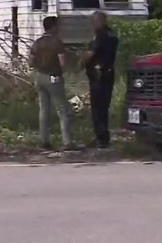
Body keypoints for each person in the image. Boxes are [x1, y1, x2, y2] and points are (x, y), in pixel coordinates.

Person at [29, 16, 76, 150]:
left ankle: (44, 140)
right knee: (62, 110)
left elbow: (30, 62)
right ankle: (67, 141)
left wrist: (39, 66)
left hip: (39, 76)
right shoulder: (57, 42)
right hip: (53, 77)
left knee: (44, 109)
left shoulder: (37, 43)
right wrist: (62, 70)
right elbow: (62, 62)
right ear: (53, 27)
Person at [82, 11, 119, 149]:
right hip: (108, 73)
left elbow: (90, 54)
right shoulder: (112, 34)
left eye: (94, 22)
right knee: (104, 106)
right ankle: (103, 136)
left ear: (100, 21)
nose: (93, 25)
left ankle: (101, 138)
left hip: (98, 75)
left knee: (97, 107)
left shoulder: (100, 36)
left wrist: (81, 61)